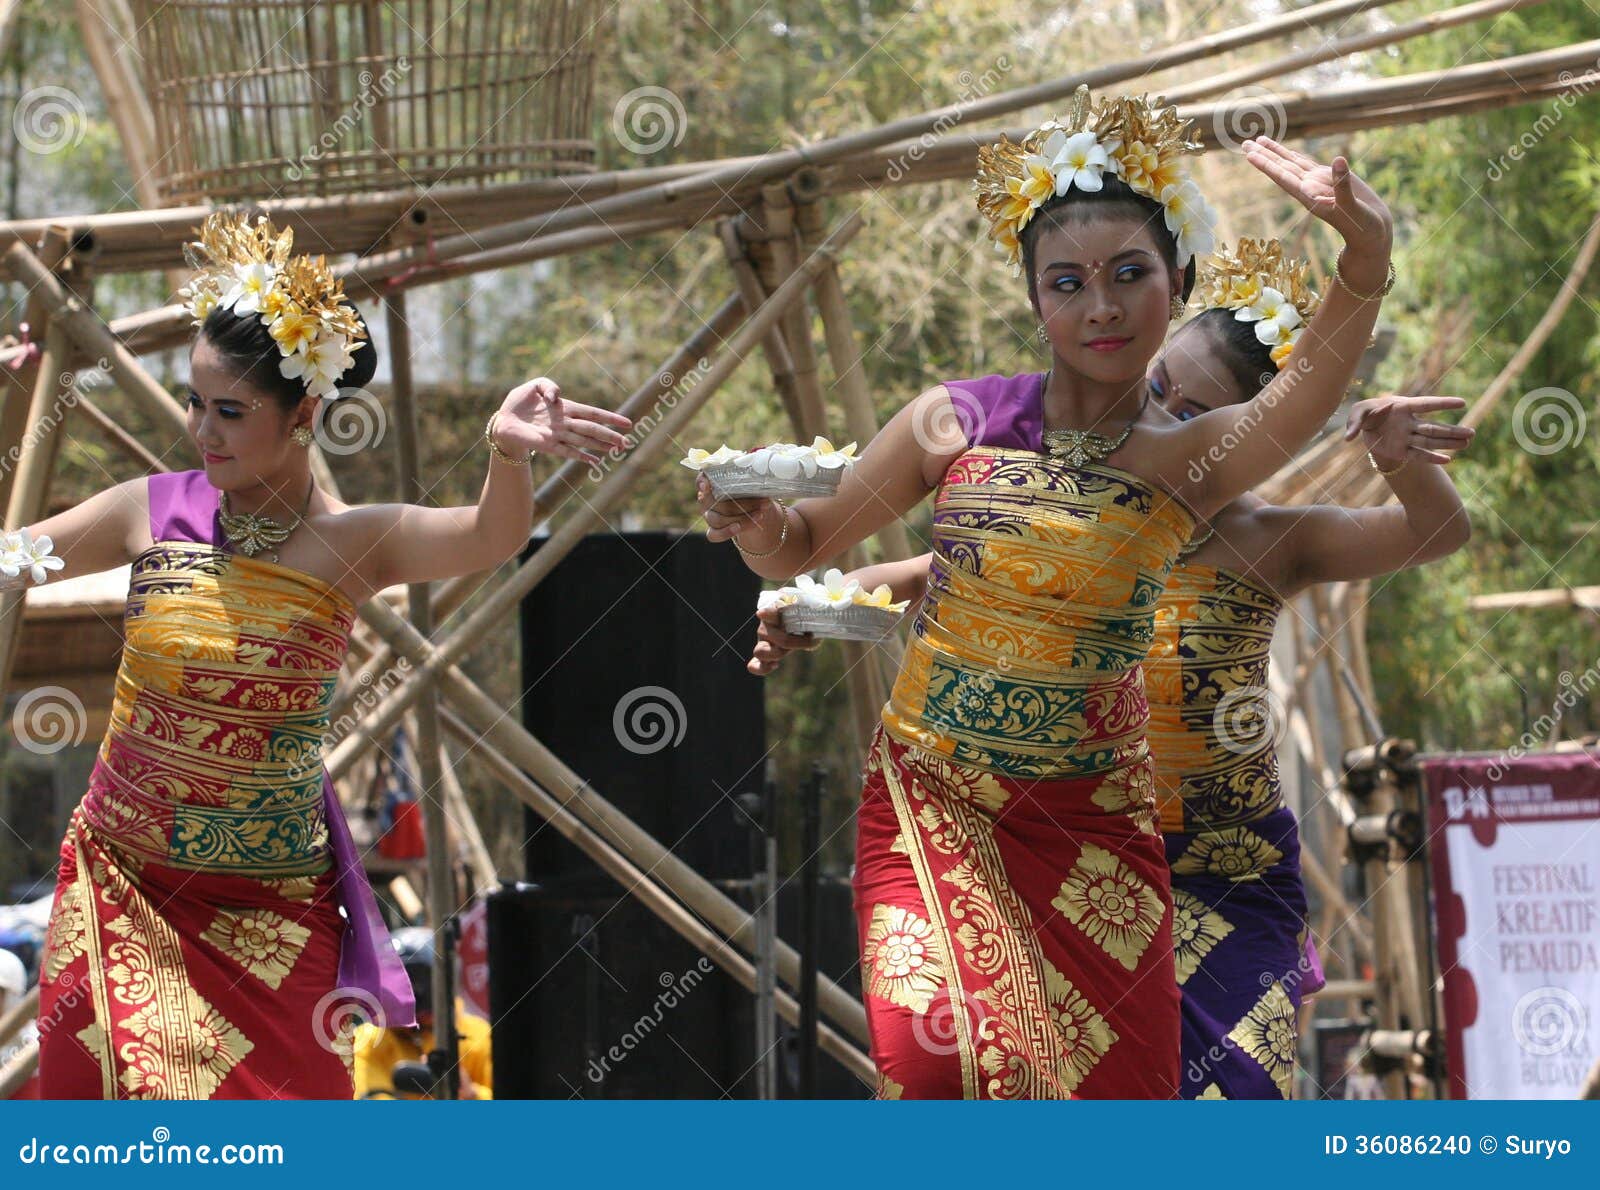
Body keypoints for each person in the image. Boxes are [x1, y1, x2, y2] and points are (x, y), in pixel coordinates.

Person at [697, 86, 1395, 1098]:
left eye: (1128, 275)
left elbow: (1311, 388)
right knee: (935, 1066)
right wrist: (757, 525)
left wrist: (1362, 262)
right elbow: (801, 540)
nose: (1100, 305)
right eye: (1066, 282)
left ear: (1177, 282)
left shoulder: (1190, 461)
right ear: (1034, 302)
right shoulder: (952, 421)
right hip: (933, 801)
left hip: (1095, 830)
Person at [19, 212, 631, 1099]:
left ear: (304, 413)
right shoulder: (147, 511)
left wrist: (504, 453)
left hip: (270, 912)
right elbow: (18, 557)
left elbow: (491, 536)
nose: (203, 430)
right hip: (125, 889)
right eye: (194, 402)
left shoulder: (354, 544)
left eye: (230, 411)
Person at [352, 928, 492, 1099]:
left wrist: (472, 1094)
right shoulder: (367, 1040)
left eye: (418, 982)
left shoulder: (478, 1035)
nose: (410, 999)